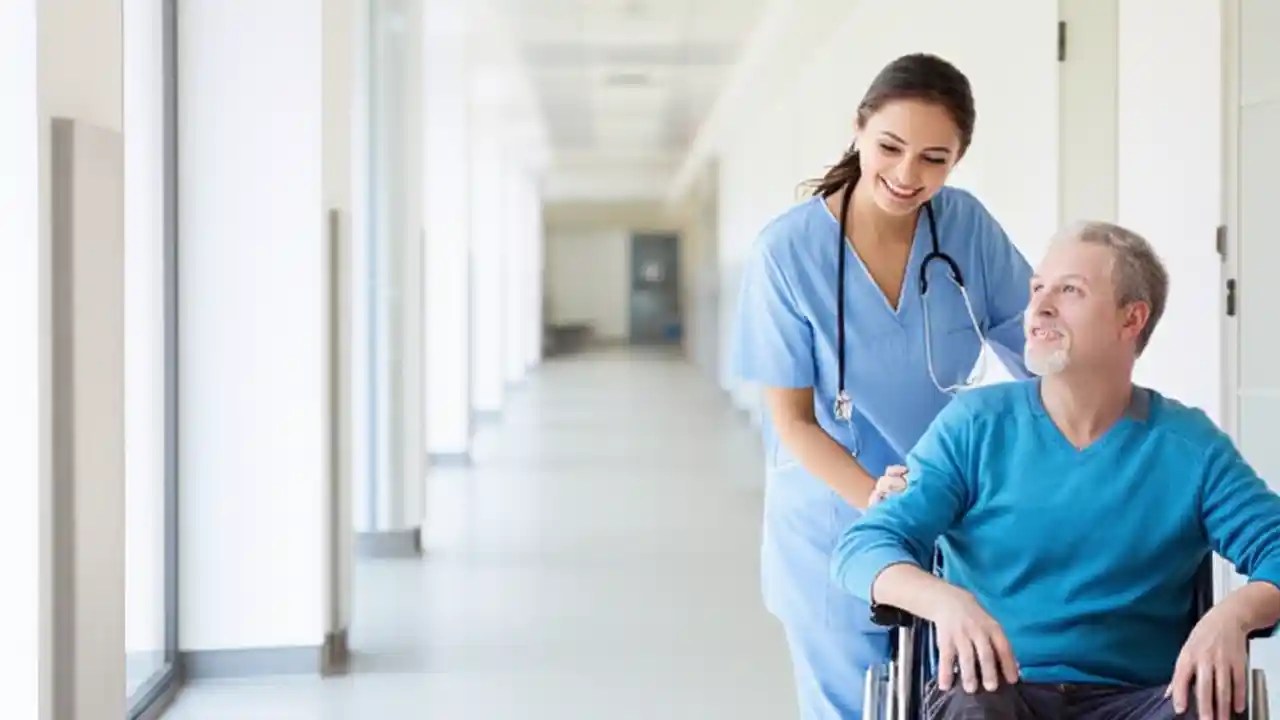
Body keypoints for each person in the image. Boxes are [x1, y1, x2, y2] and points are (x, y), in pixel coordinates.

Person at [831, 220, 1280, 720]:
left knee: (1211, 704)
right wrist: (945, 602)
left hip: (1142, 700)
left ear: (1130, 320)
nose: (1039, 307)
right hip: (994, 689)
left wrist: (1234, 616)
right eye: (1037, 288)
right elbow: (862, 548)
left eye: (1070, 290)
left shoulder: (1189, 449)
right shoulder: (974, 426)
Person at [729, 52, 1035, 719]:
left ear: (957, 160)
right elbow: (795, 423)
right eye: (890, 147)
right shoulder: (787, 252)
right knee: (854, 706)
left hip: (951, 519)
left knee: (953, 699)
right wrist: (884, 508)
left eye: (934, 157)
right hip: (835, 524)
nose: (906, 175)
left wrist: (1090, 422)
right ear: (859, 129)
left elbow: (1034, 343)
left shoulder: (965, 227)